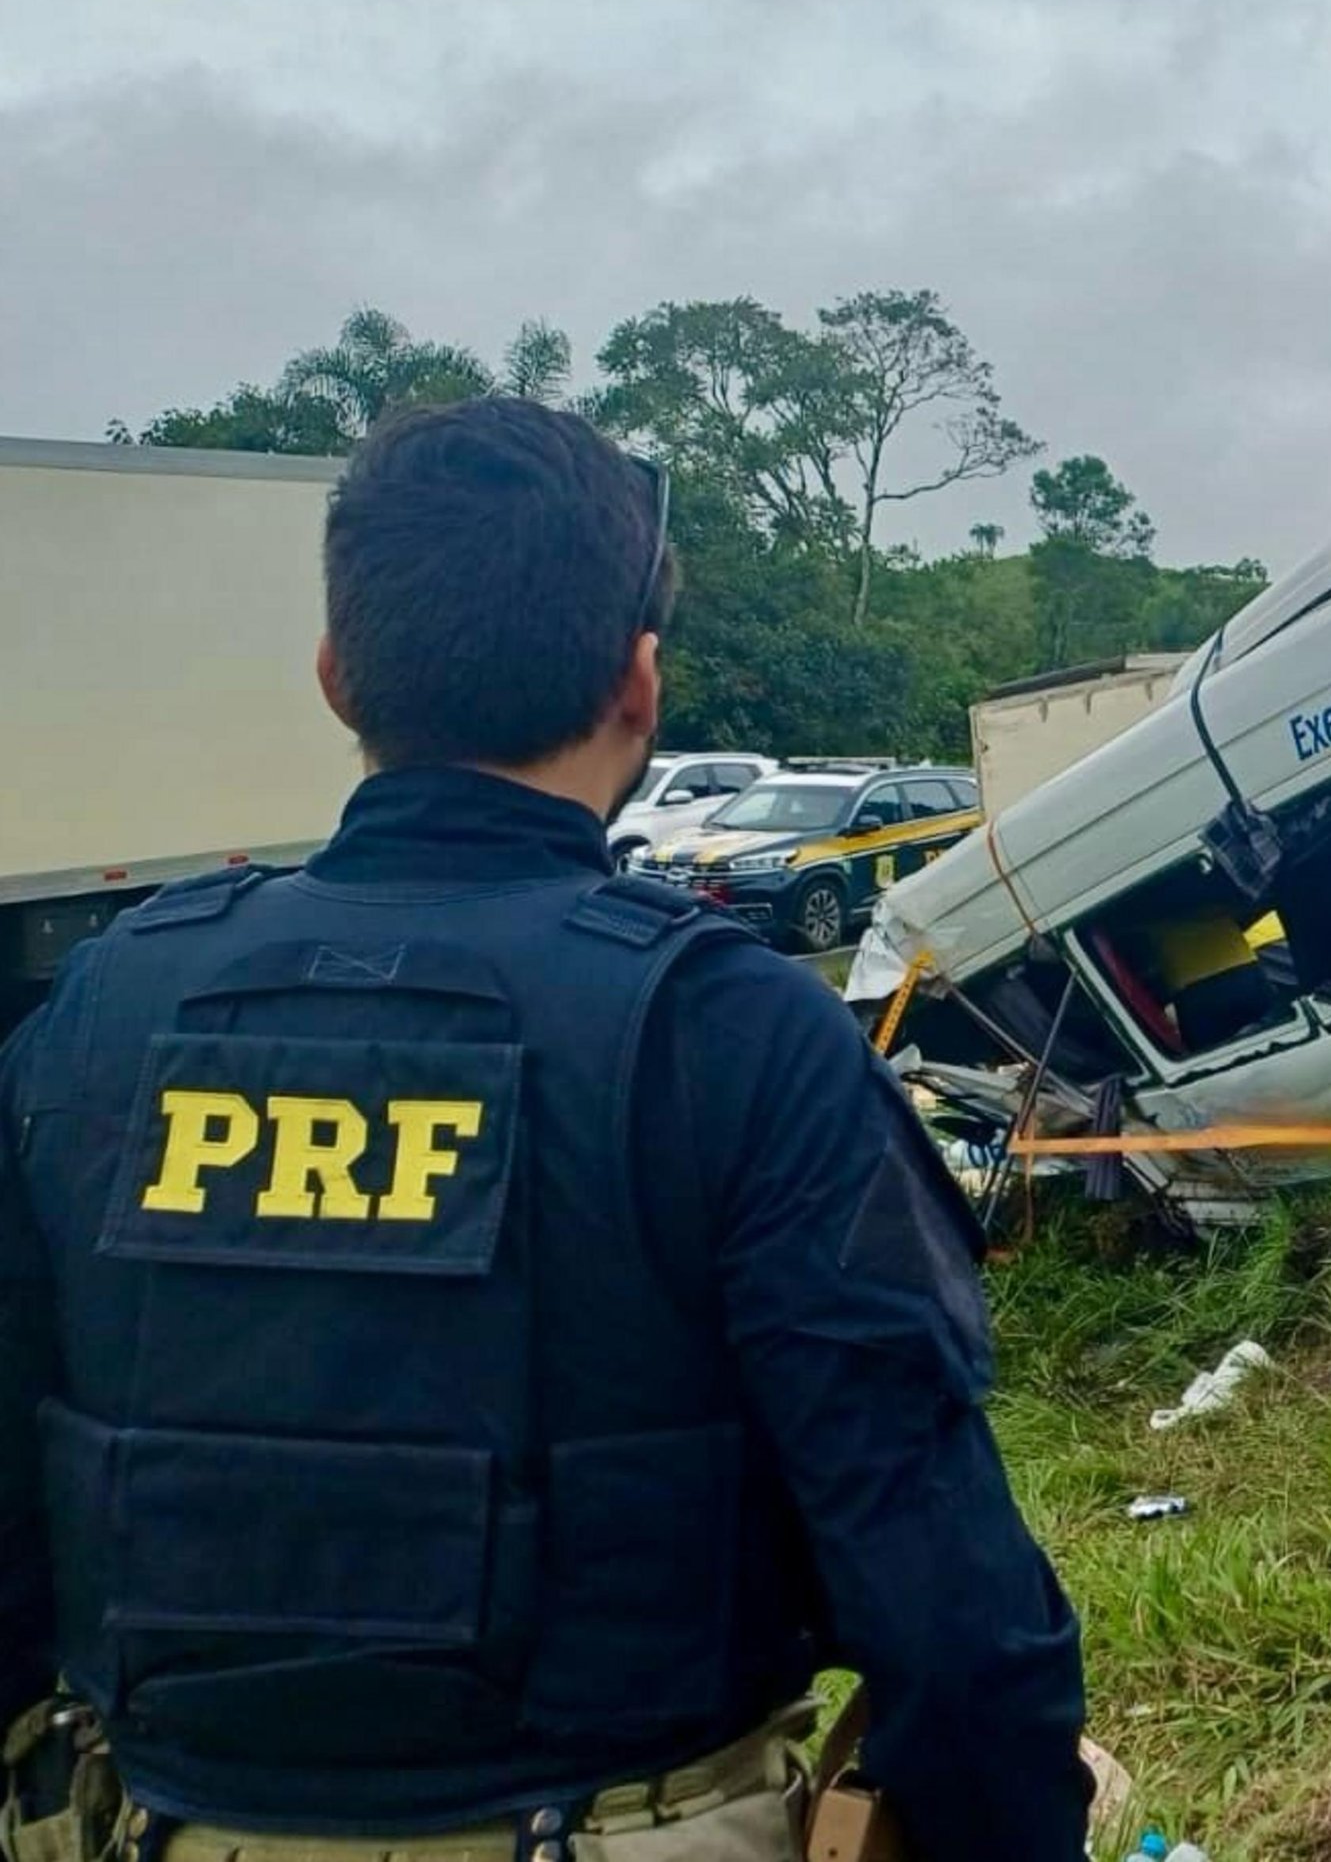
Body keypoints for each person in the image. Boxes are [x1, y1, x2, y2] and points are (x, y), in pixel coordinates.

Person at [0, 399, 1089, 1860]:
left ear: (336, 679)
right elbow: (942, 1589)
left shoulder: (97, 1014)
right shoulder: (733, 1031)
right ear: (640, 687)